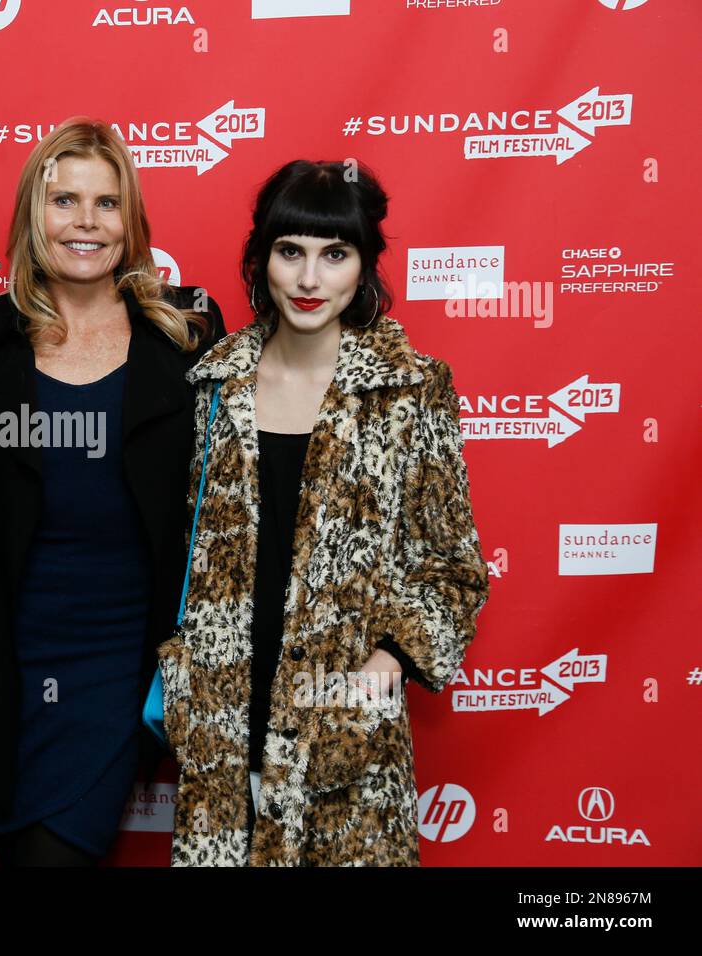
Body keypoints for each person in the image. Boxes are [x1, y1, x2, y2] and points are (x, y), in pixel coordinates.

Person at [157, 159, 489, 866]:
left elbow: (452, 568)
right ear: (261, 260)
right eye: (290, 252)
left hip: (343, 751)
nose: (310, 280)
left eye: (334, 254)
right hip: (223, 734)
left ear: (364, 266)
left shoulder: (410, 390)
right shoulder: (210, 386)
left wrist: (381, 669)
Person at [0, 119, 225, 866]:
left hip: (120, 657)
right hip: (3, 657)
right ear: (34, 215)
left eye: (106, 203)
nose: (85, 223)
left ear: (132, 223)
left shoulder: (185, 337)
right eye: (64, 201)